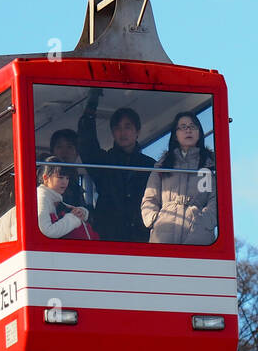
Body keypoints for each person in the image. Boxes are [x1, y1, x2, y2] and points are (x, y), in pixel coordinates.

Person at [76, 90, 155, 242]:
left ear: (137, 131)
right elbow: (86, 145)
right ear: (112, 132)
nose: (122, 132)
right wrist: (91, 107)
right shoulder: (104, 161)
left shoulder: (150, 165)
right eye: (118, 128)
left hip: (141, 236)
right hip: (108, 235)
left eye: (127, 127)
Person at [141, 112, 217, 246]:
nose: (188, 130)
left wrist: (205, 221)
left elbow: (215, 199)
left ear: (199, 132)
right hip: (164, 232)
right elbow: (150, 198)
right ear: (175, 135)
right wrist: (154, 220)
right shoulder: (163, 165)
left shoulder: (209, 166)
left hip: (199, 235)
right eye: (183, 127)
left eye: (192, 126)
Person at [37, 157, 97, 240]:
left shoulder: (52, 197)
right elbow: (48, 231)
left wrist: (81, 212)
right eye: (60, 177)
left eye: (67, 178)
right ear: (46, 178)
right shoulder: (42, 197)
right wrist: (74, 218)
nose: (65, 182)